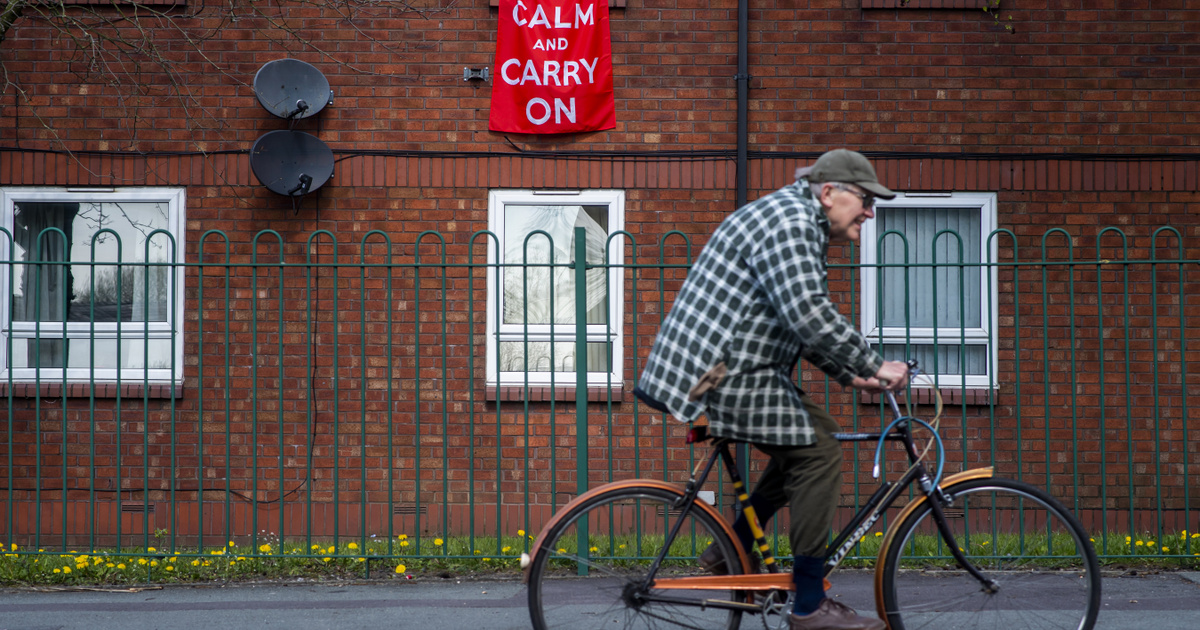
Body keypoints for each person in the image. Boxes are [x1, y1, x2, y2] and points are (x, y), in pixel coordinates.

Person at [634, 149, 910, 630]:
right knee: (819, 450)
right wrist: (873, 365)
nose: (869, 211)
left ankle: (731, 549)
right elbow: (808, 312)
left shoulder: (795, 218)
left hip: (731, 365)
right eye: (864, 199)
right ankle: (808, 604)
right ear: (829, 193)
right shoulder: (791, 222)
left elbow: (795, 323)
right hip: (722, 371)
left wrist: (853, 375)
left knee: (809, 436)